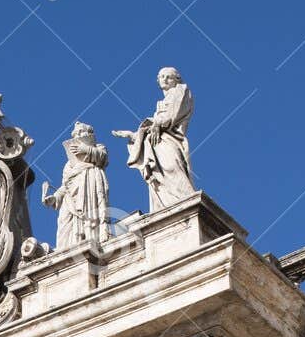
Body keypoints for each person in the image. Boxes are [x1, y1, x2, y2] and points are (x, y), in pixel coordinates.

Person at [112, 67, 195, 211]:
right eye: (161, 76)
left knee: (172, 167)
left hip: (171, 140)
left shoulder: (182, 90)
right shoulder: (163, 100)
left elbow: (173, 115)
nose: (164, 79)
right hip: (157, 140)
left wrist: (158, 123)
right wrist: (133, 135)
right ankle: (165, 208)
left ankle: (187, 204)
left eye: (168, 76)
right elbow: (155, 125)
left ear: (177, 79)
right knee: (158, 176)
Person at [41, 122, 112, 247]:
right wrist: (55, 197)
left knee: (89, 218)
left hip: (88, 186)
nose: (77, 136)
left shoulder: (99, 147)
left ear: (89, 135)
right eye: (75, 134)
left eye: (80, 132)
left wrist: (86, 149)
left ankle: (92, 240)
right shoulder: (69, 164)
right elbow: (65, 185)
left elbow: (103, 158)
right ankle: (66, 250)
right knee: (64, 223)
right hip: (69, 198)